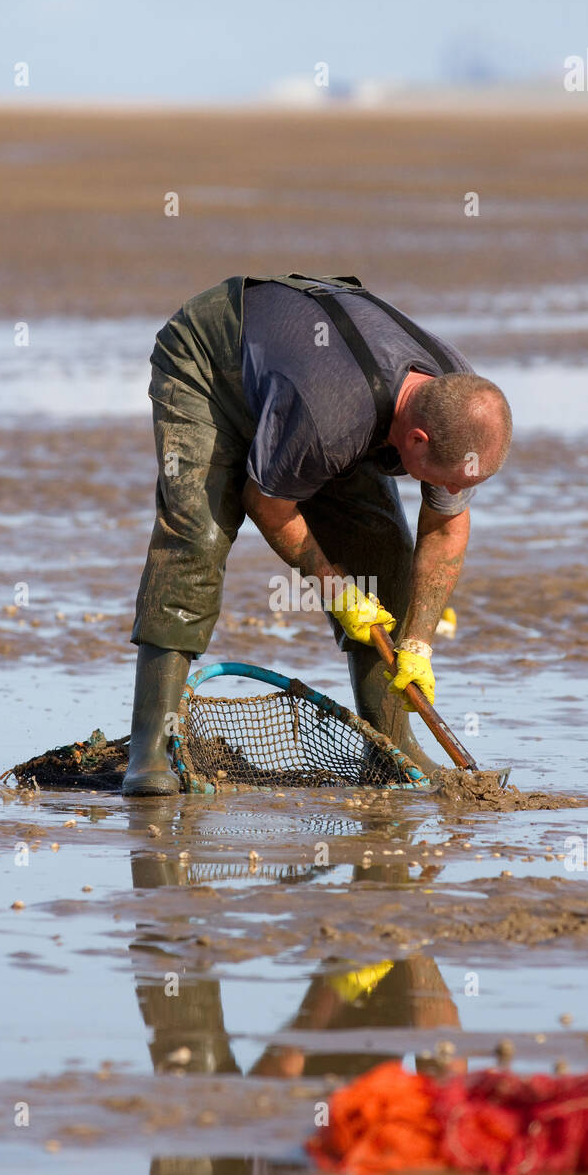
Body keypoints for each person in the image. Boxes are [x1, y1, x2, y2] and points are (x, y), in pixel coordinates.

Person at [124, 273, 512, 795]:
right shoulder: (330, 418)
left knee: (381, 548)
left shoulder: (457, 400)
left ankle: (395, 749)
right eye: (442, 479)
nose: (448, 493)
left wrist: (418, 641)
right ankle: (149, 749)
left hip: (316, 388)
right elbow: (266, 503)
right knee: (198, 536)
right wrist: (337, 590)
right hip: (213, 366)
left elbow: (445, 527)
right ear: (416, 440)